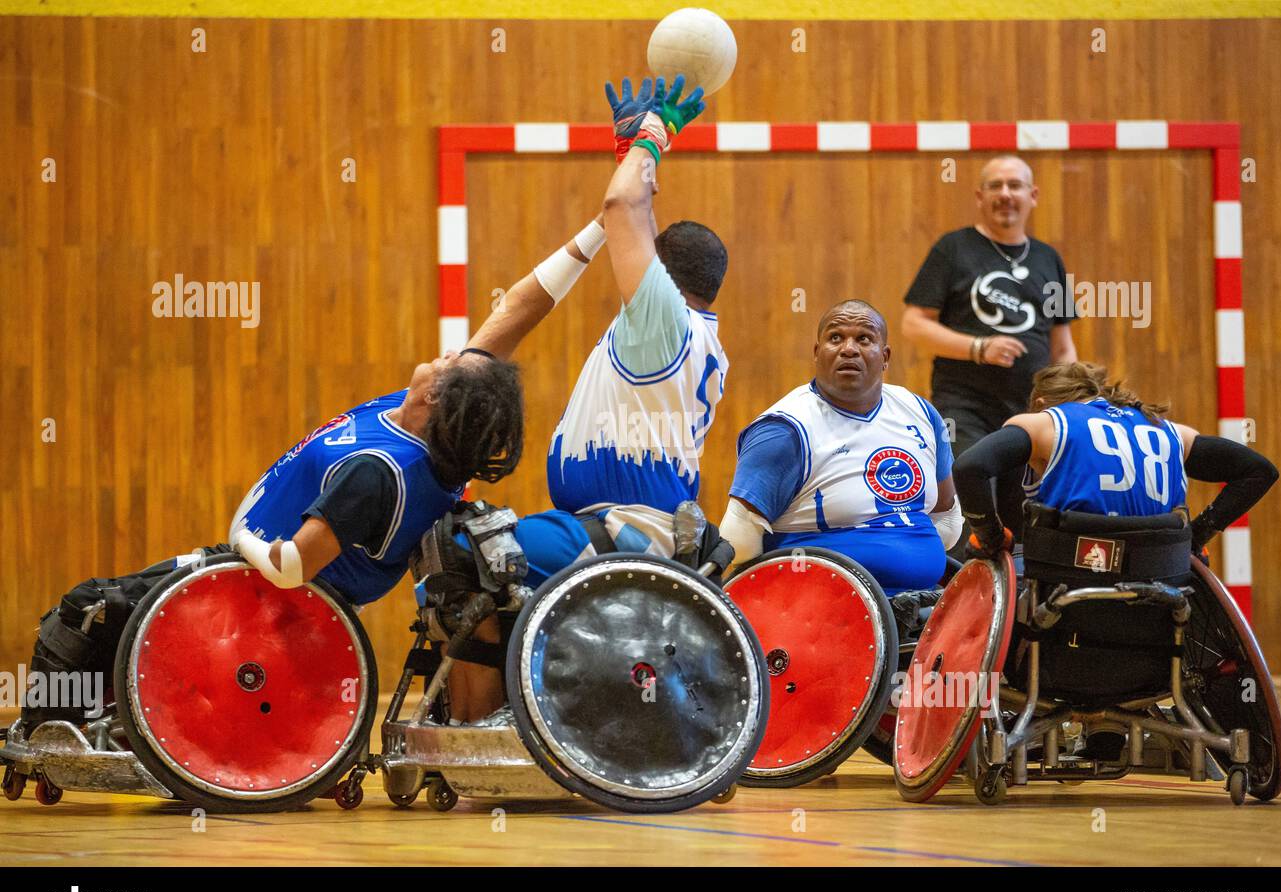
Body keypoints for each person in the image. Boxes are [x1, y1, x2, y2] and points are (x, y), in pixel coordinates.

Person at [15, 210, 608, 732]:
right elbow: (517, 309)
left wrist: (241, 536)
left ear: (436, 400)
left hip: (266, 594)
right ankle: (87, 719)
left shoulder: (379, 473)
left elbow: (292, 569)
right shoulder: (435, 420)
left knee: (86, 607)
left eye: (453, 361)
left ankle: (44, 735)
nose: (452, 353)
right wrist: (603, 225)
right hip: (257, 575)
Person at [512, 75, 725, 584]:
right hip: (618, 522)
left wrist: (654, 136)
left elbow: (620, 210)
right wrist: (630, 153)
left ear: (659, 273)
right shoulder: (688, 328)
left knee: (458, 557)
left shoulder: (664, 320)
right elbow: (636, 224)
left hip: (623, 526)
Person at [718, 300, 964, 595]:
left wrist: (907, 555)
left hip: (921, 609)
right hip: (820, 613)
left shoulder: (921, 412)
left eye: (864, 339)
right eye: (835, 338)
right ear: (817, 353)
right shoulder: (784, 429)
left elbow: (947, 521)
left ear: (885, 356)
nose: (849, 348)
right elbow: (739, 539)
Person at [902, 155, 1078, 544]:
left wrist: (1076, 408)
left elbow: (1063, 348)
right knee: (971, 504)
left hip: (1032, 413)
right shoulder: (954, 249)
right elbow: (913, 323)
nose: (1005, 194)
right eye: (995, 186)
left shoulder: (1049, 259)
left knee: (1028, 513)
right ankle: (970, 597)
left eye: (1014, 186)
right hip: (965, 409)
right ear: (980, 196)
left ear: (1032, 196)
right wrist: (979, 347)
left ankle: (1022, 602)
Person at [953, 361, 1278, 562]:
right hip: (1162, 573)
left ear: (1041, 403)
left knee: (995, 555)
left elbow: (969, 468)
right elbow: (1259, 471)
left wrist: (992, 537)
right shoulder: (1168, 429)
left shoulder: (1044, 423)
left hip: (1072, 573)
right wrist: (1197, 535)